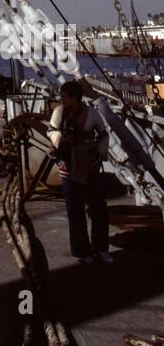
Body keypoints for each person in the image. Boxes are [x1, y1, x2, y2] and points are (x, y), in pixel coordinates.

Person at [47, 79, 112, 263]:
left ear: (75, 98)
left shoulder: (91, 114)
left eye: (64, 96)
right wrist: (60, 139)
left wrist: (100, 154)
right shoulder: (59, 113)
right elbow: (51, 131)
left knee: (98, 209)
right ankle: (82, 252)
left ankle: (101, 249)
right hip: (68, 168)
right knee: (75, 213)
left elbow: (102, 134)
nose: (61, 99)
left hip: (90, 167)